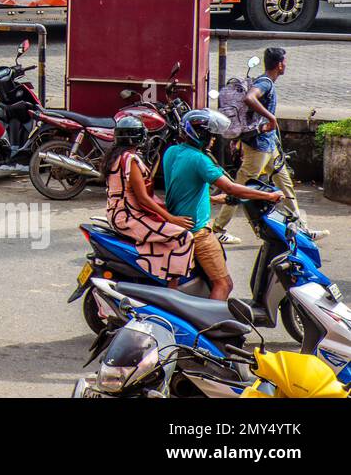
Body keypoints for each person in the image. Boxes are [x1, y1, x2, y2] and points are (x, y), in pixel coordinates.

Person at [162, 109, 282, 300]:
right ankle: (211, 326)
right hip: (198, 232)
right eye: (211, 136)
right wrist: (269, 196)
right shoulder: (200, 160)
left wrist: (217, 200)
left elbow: (183, 188)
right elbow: (232, 188)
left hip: (176, 226)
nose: (214, 140)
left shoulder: (171, 152)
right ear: (202, 136)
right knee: (224, 284)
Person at [211, 46, 324, 242]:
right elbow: (249, 98)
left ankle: (301, 228)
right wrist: (271, 118)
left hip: (269, 146)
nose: (286, 65)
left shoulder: (264, 81)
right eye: (285, 62)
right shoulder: (265, 83)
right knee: (240, 186)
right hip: (259, 147)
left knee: (285, 184)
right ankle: (218, 228)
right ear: (280, 65)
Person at [103, 115, 194, 284]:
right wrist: (171, 218)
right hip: (128, 217)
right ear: (139, 137)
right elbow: (143, 198)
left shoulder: (114, 157)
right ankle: (173, 291)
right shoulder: (130, 159)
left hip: (116, 213)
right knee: (183, 237)